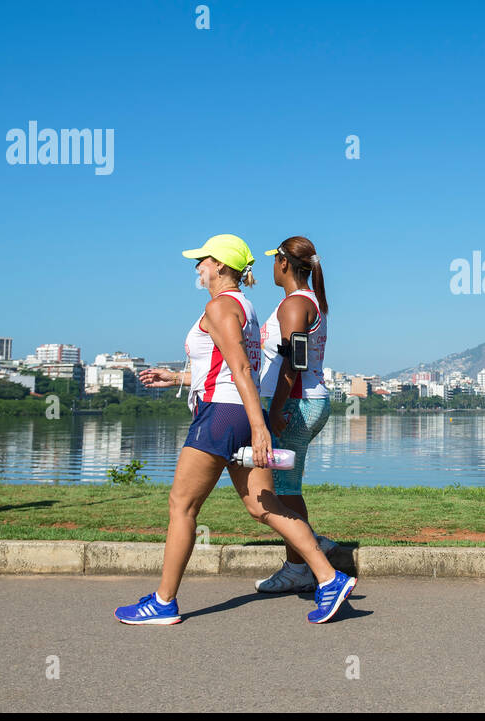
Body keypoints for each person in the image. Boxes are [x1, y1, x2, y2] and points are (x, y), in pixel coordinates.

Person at [119, 234, 355, 625]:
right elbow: (230, 364)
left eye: (204, 260)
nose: (198, 267)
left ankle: (163, 602)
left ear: (221, 266)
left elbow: (243, 370)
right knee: (264, 504)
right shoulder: (247, 307)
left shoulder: (221, 306)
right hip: (240, 411)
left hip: (222, 414)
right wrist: (177, 377)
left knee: (182, 505)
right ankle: (329, 578)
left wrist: (263, 425)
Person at [254, 236, 336, 594]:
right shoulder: (305, 302)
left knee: (283, 488)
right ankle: (309, 545)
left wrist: (273, 411)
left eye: (274, 260)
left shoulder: (295, 305)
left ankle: (300, 565)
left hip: (295, 403)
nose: (271, 266)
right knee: (286, 485)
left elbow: (294, 362)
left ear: (284, 263)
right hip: (303, 400)